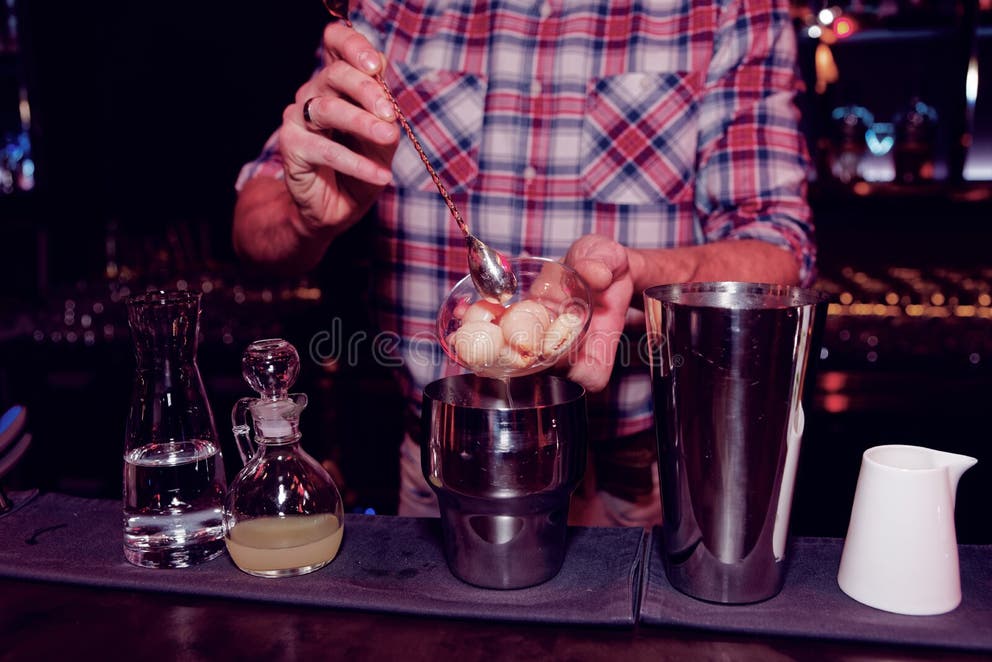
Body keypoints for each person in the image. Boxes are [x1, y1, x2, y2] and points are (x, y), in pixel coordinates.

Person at [233, 0, 815, 527]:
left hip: (631, 486)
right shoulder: (388, 9)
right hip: (438, 469)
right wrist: (304, 217)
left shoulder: (730, 10)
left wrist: (639, 272)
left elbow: (778, 252)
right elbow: (253, 232)